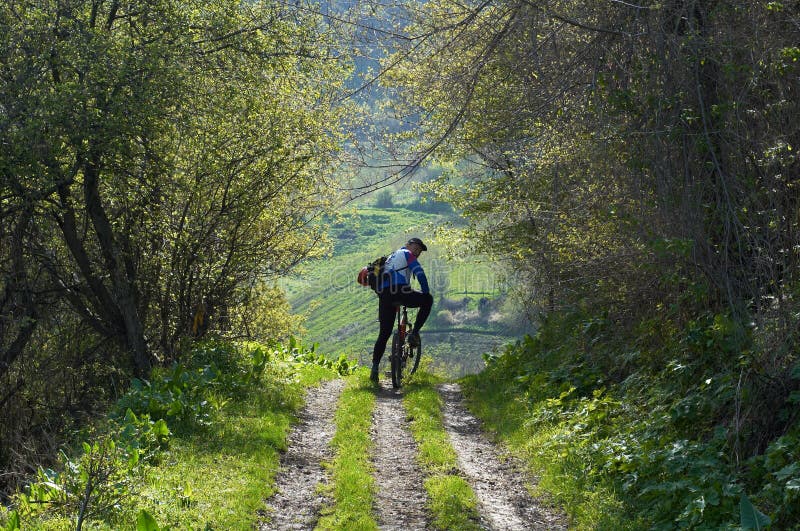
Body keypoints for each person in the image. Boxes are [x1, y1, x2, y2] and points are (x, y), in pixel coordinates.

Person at [371, 237, 434, 382]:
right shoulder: (407, 254)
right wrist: (425, 293)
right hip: (400, 291)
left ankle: (374, 368)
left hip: (384, 296)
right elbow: (420, 274)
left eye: (419, 251)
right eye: (416, 248)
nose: (417, 253)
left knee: (384, 334)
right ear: (408, 245)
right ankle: (414, 333)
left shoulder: (390, 257)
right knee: (428, 300)